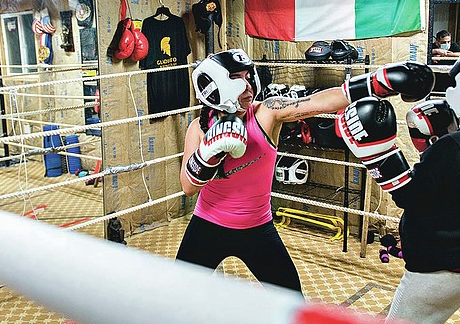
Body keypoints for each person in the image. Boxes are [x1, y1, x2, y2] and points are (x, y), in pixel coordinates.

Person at [177, 48, 434, 294]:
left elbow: (317, 102)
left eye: (248, 76)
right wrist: (207, 154)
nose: (248, 86)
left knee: (292, 298)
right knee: (175, 297)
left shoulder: (266, 113)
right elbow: (189, 188)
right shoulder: (198, 129)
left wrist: (378, 82)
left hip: (257, 229)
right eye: (236, 78)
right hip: (208, 225)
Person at [336, 50, 460, 324]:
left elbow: (411, 196)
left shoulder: (454, 147)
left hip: (441, 271)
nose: (452, 89)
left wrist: (378, 155)